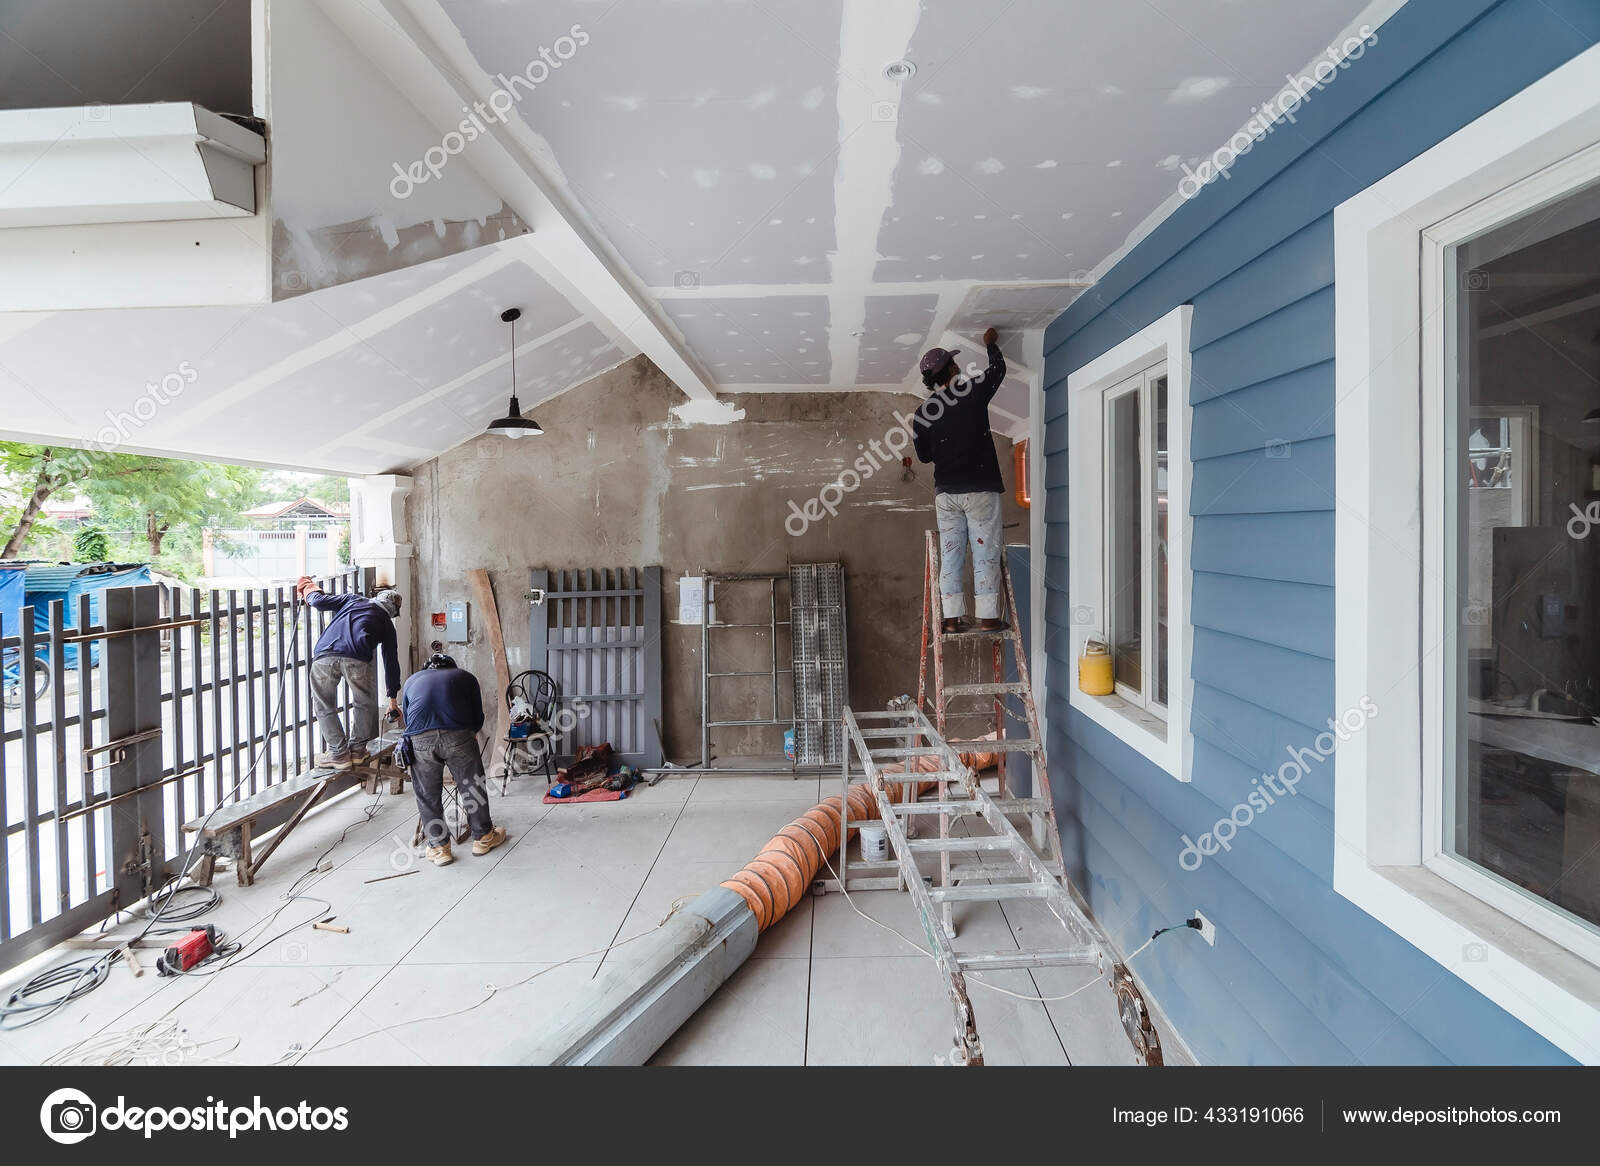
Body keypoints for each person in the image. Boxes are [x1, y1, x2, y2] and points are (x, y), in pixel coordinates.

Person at [912, 326, 1009, 634]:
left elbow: (925, 457)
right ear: (951, 369)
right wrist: (990, 344)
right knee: (985, 551)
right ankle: (988, 617)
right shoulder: (972, 391)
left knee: (951, 554)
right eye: (954, 364)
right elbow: (998, 370)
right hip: (980, 489)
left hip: (947, 495)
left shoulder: (922, 413)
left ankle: (951, 620)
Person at [399, 653, 507, 866]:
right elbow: (478, 716)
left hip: (420, 738)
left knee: (427, 794)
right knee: (472, 786)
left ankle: (439, 849)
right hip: (458, 734)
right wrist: (468, 735)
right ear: (452, 667)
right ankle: (483, 837)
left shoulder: (412, 680)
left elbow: (407, 717)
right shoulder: (465, 677)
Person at [295, 577, 402, 770]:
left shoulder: (353, 599)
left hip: (325, 656)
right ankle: (358, 751)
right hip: (358, 659)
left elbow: (318, 602)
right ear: (394, 611)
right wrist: (392, 699)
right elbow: (391, 663)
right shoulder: (387, 624)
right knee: (364, 703)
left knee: (323, 705)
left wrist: (307, 586)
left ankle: (339, 754)